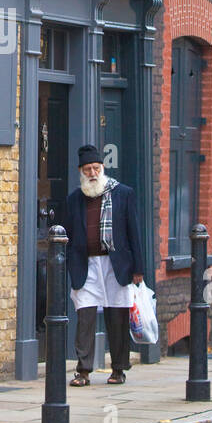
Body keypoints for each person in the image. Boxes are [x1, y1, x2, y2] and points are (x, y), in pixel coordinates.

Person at [63, 144, 144, 386]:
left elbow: (134, 233)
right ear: (81, 171)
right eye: (88, 169)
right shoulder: (74, 199)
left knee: (117, 315)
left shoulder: (123, 194)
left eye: (96, 168)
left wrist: (138, 268)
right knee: (85, 315)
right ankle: (83, 371)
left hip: (115, 264)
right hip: (85, 264)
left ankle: (118, 369)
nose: (93, 173)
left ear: (103, 168)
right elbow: (69, 233)